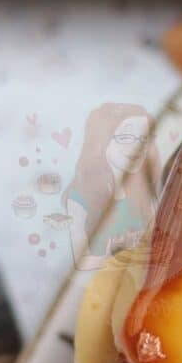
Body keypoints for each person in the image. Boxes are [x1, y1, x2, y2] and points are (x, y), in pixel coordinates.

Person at [63, 104, 156, 270]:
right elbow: (84, 265)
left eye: (141, 140)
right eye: (125, 137)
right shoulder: (80, 199)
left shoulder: (141, 182)